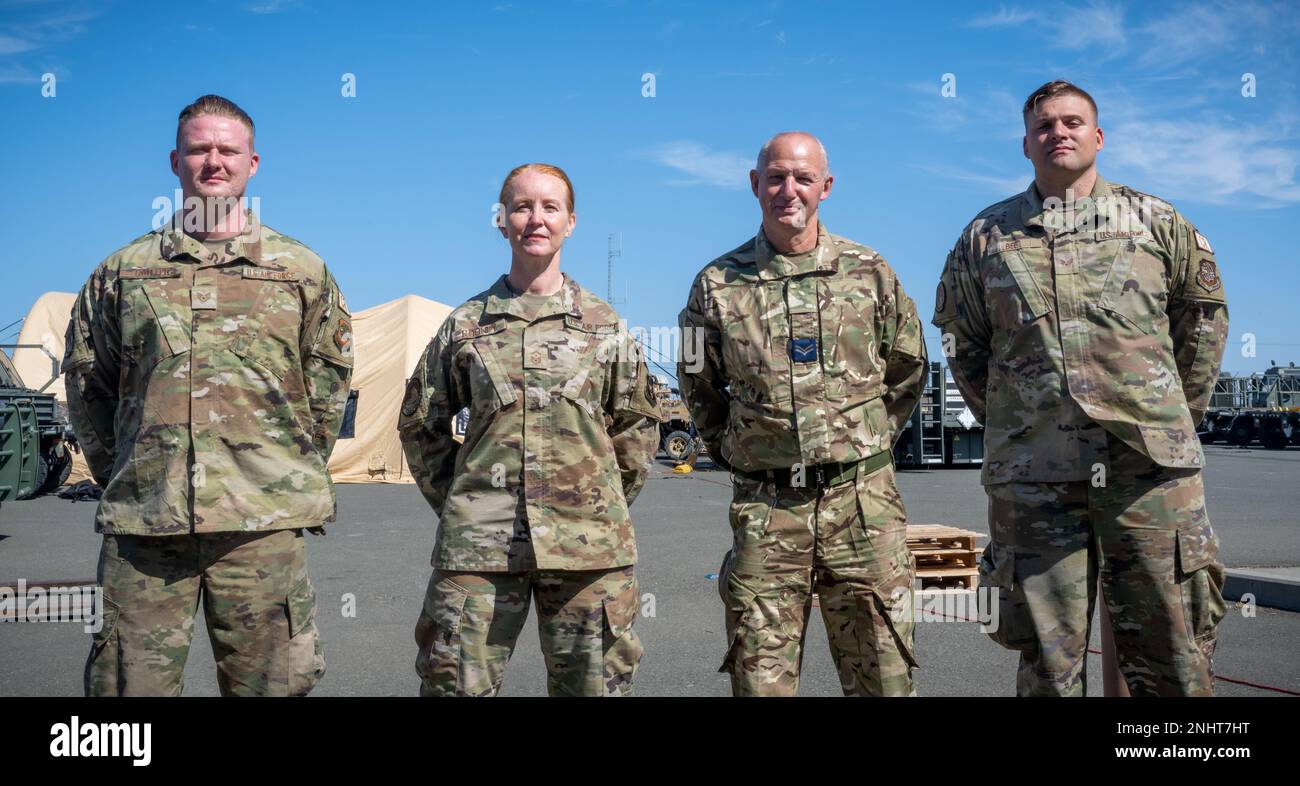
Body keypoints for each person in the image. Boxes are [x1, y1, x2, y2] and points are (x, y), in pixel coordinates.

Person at [933, 80, 1229, 696]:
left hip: (1147, 473)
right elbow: (964, 341)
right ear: (1025, 144)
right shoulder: (986, 236)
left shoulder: (1157, 222)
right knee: (1048, 661)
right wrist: (1018, 421)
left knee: (1173, 651)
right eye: (1044, 125)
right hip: (1036, 477)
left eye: (1071, 122)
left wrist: (1168, 419)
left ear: (1098, 136)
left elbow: (1200, 328)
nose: (1058, 133)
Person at [64, 94, 354, 696]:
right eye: (199, 149)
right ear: (175, 161)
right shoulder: (123, 274)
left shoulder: (300, 272)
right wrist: (134, 474)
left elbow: (325, 391)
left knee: (273, 686)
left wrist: (280, 471)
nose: (213, 161)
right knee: (127, 694)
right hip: (147, 528)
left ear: (253, 163)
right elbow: (90, 387)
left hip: (262, 526)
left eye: (228, 150)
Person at [678, 132, 928, 696]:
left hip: (863, 509)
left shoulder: (870, 272)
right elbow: (700, 386)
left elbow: (907, 368)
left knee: (883, 675)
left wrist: (863, 443)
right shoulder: (716, 285)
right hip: (768, 510)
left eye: (803, 178)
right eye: (775, 177)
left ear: (826, 186)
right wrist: (750, 453)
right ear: (755, 184)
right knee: (759, 679)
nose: (788, 190)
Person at [398, 163, 660, 697]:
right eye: (522, 207)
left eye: (549, 207)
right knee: (454, 687)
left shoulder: (605, 327)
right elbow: (421, 423)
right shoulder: (466, 325)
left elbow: (636, 430)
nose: (536, 219)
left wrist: (596, 499)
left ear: (570, 222)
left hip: (589, 550)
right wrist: (467, 503)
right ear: (502, 220)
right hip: (480, 552)